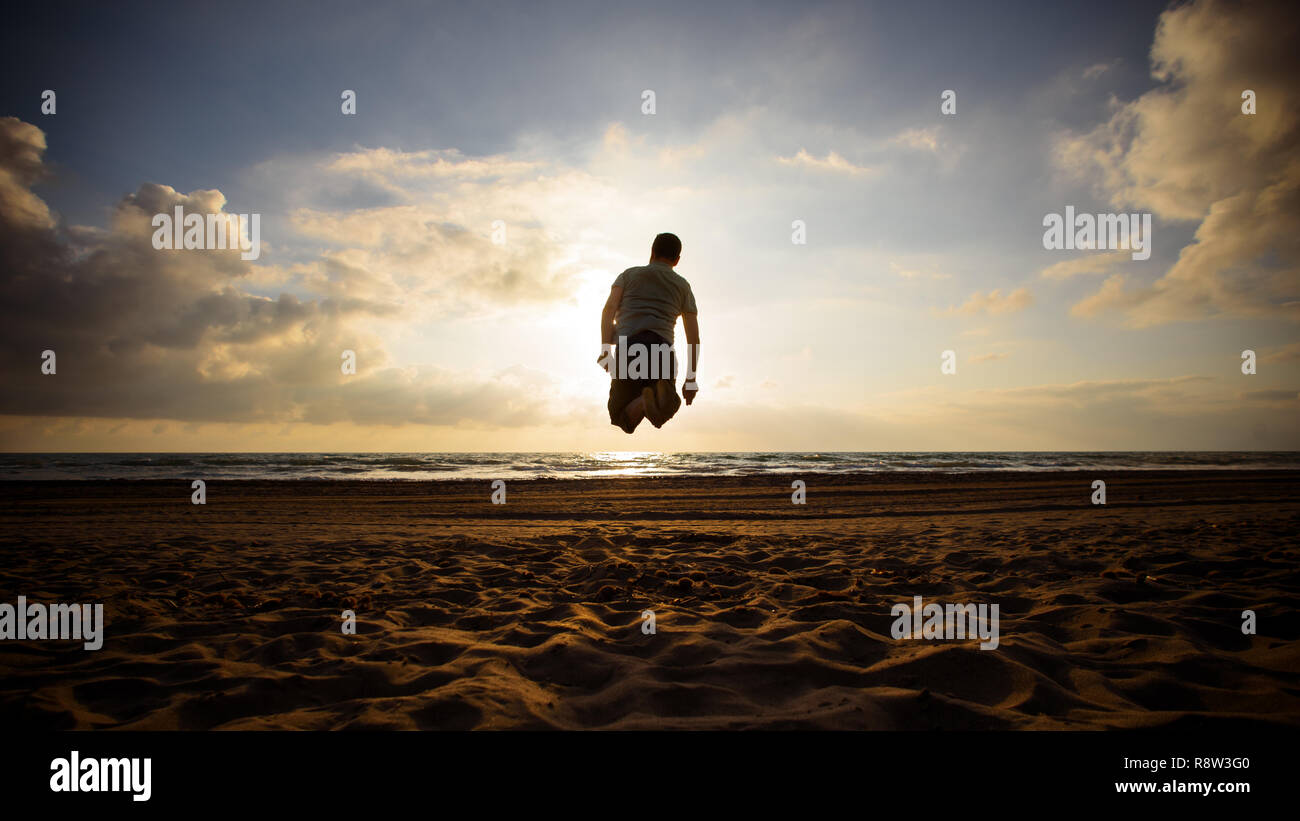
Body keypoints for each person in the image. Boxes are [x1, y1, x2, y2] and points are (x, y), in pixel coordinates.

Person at [598, 233, 700, 433]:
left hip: (629, 348)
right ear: (677, 260)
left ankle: (643, 402)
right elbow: (693, 338)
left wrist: (605, 348)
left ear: (652, 252)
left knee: (619, 415)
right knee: (667, 406)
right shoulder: (682, 286)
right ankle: (653, 398)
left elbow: (609, 309)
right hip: (661, 351)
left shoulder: (628, 275)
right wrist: (691, 378)